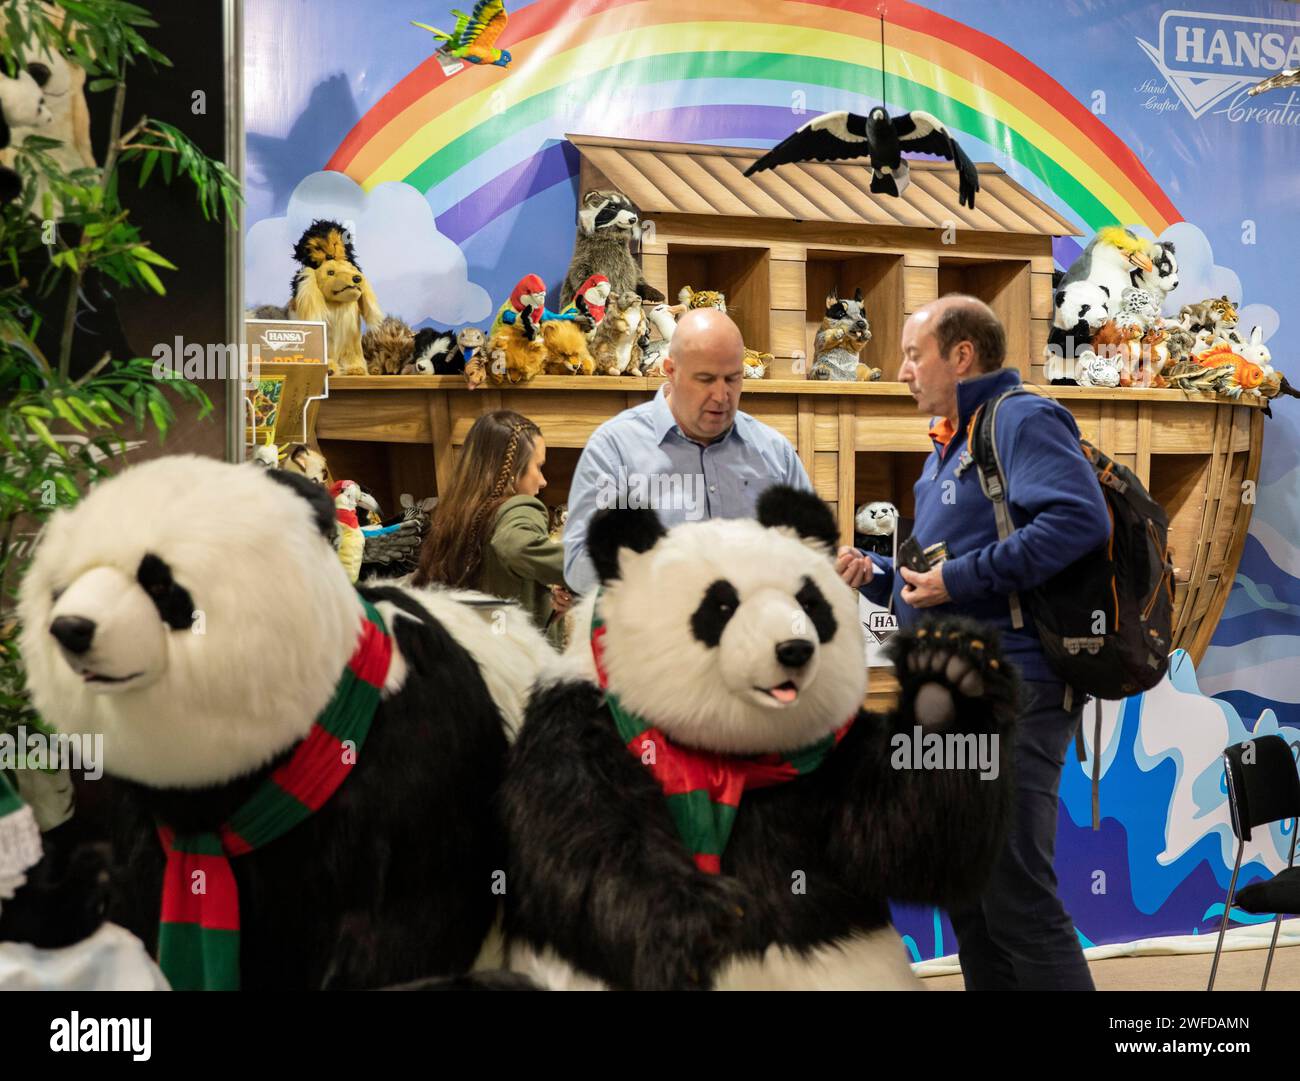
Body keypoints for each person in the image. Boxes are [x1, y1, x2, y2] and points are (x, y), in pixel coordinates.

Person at [842, 294, 1111, 992]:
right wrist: (879, 578)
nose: (900, 369)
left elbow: (1079, 521)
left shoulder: (1019, 418)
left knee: (1014, 890)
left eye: (912, 353)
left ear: (962, 356)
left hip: (1017, 691)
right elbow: (938, 579)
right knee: (971, 897)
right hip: (956, 696)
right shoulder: (949, 443)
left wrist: (955, 579)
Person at [563, 307, 812, 594]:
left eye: (732, 379)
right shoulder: (614, 449)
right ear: (671, 371)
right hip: (655, 634)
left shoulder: (774, 452)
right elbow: (580, 565)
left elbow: (811, 549)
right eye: (705, 379)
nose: (721, 396)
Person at [414, 410, 572, 646]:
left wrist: (549, 586)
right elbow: (514, 546)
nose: (543, 480)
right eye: (538, 467)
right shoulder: (520, 507)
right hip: (519, 665)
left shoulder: (458, 513)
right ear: (511, 471)